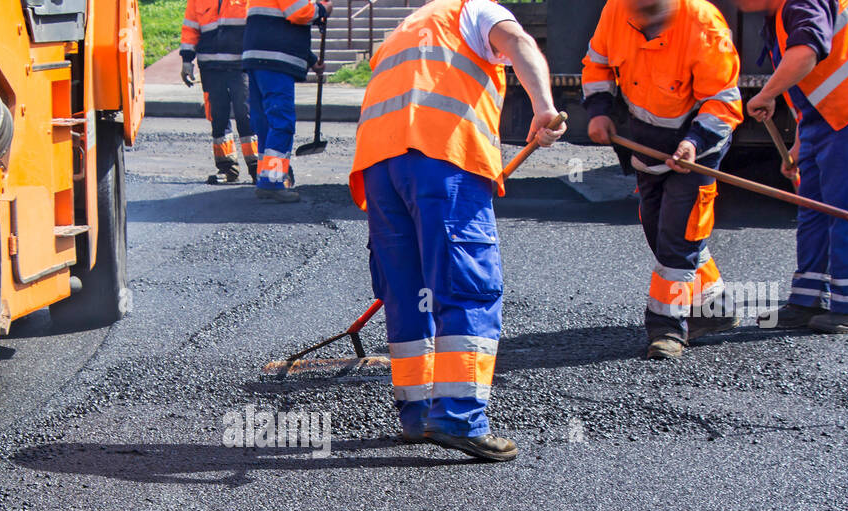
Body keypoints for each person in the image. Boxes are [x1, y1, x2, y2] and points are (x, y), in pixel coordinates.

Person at [349, 0, 564, 461]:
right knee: (466, 286)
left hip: (380, 166)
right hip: (442, 158)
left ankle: (418, 414)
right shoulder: (475, 10)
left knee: (409, 291)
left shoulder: (405, 28)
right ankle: (460, 416)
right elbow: (520, 43)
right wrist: (544, 107)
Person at [584, 0, 744, 360]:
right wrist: (598, 111)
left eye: (653, 13)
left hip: (697, 148)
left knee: (678, 238)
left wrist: (693, 142)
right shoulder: (616, 10)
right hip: (646, 144)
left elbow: (723, 102)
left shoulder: (704, 25)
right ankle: (715, 307)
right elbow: (597, 63)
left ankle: (667, 328)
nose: (643, 20)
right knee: (659, 229)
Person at [735, 0, 848, 334]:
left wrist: (766, 94)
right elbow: (811, 84)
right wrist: (801, 145)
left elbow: (807, 53)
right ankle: (808, 298)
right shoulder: (778, 15)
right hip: (826, 112)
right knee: (813, 203)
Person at [242, 0, 333, 202]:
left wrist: (310, 60)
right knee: (281, 121)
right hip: (275, 61)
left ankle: (265, 178)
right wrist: (322, 9)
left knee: (265, 122)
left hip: (257, 57)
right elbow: (299, 12)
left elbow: (277, 24)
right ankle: (272, 182)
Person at [181, 0, 259, 183]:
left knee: (246, 114)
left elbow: (259, 24)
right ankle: (227, 168)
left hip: (241, 66)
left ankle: (256, 167)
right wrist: (186, 60)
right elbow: (190, 28)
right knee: (218, 116)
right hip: (211, 68)